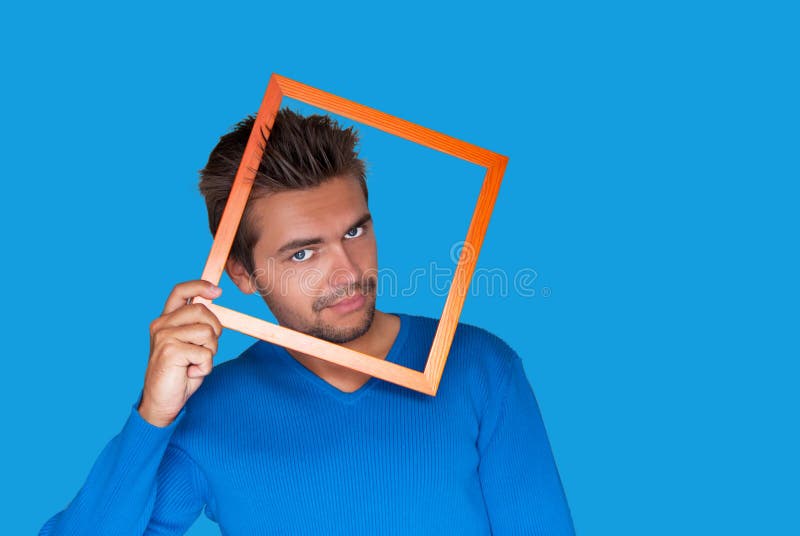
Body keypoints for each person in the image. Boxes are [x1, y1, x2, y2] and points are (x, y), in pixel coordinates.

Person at [39, 109, 576, 535]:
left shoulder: (482, 368)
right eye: (303, 254)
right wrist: (153, 415)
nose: (347, 273)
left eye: (355, 232)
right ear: (242, 274)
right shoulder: (209, 414)